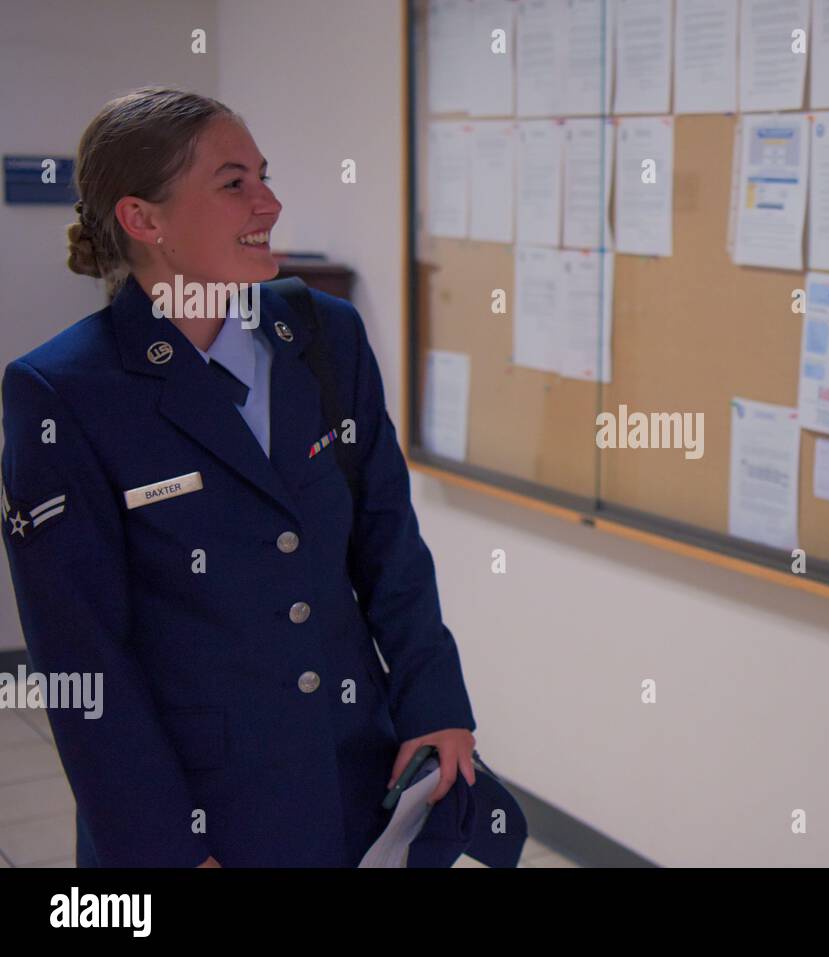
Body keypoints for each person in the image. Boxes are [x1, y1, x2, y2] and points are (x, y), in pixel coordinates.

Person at [1, 88, 477, 867]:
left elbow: (389, 536)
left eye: (264, 175)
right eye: (234, 183)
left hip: (358, 780)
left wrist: (436, 702)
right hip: (199, 815)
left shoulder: (326, 336)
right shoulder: (63, 392)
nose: (270, 201)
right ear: (142, 219)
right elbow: (85, 661)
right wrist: (167, 851)